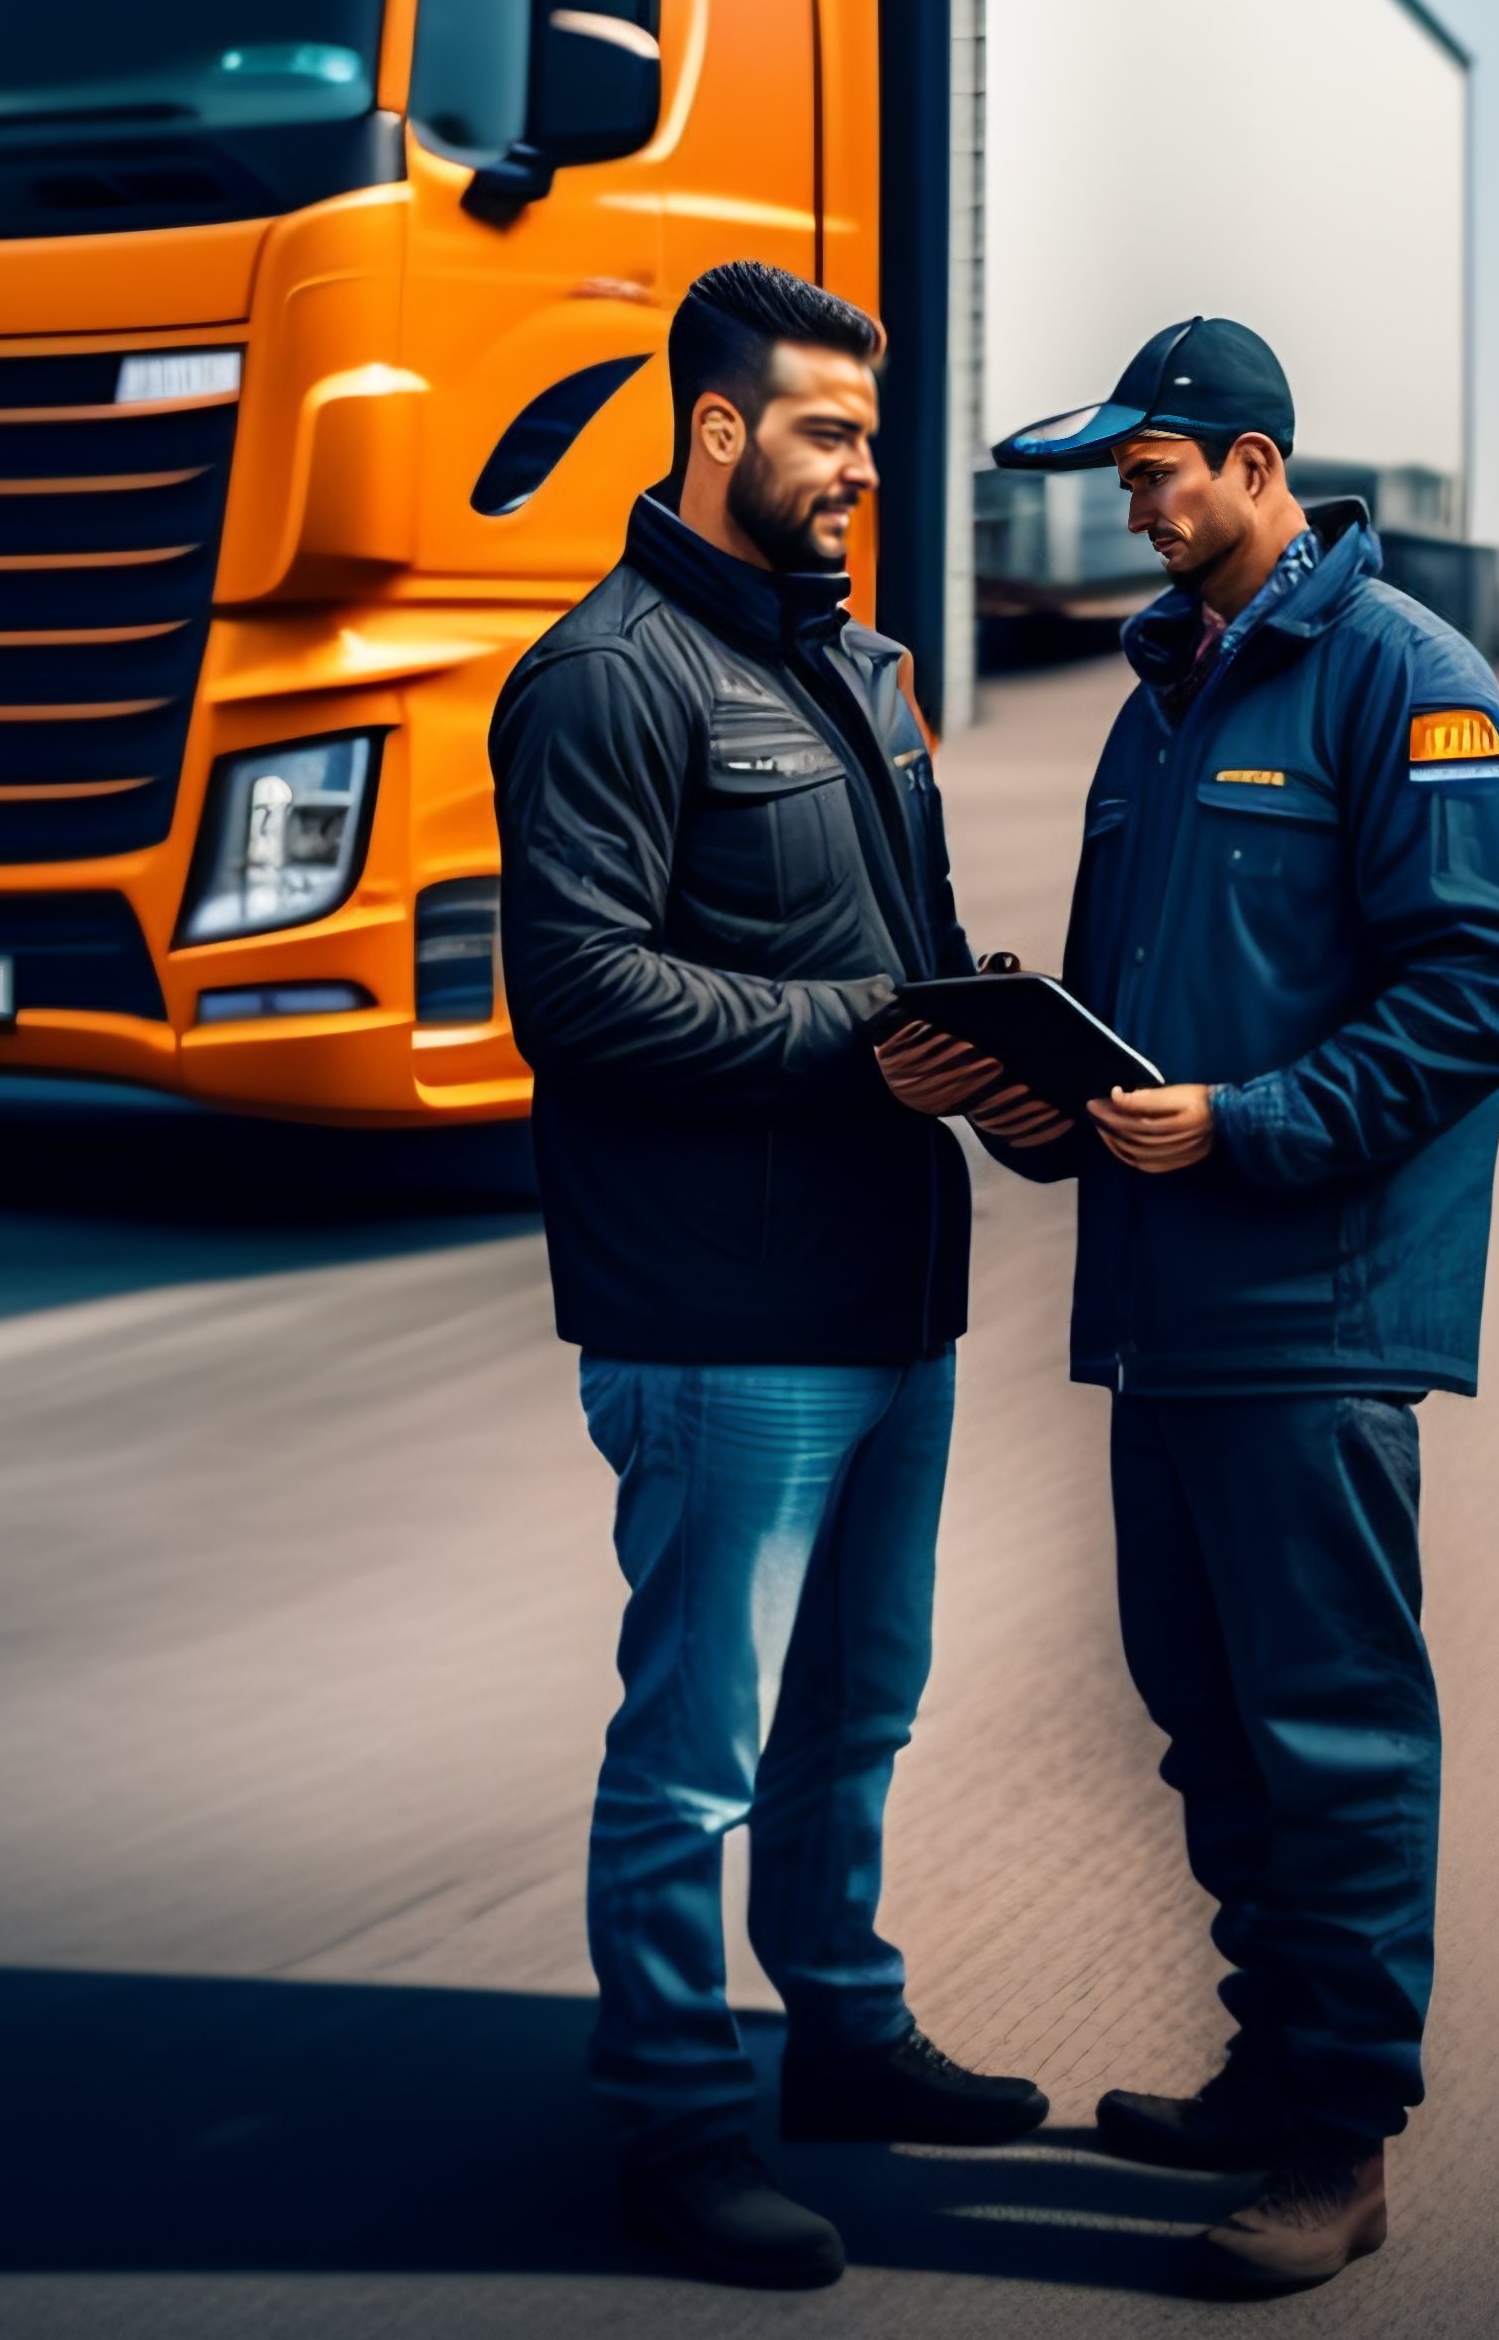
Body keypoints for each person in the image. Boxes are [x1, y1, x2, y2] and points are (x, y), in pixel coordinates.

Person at [877, 316, 1499, 2295]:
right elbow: (1137, 1024)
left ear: (1257, 465)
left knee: (1328, 1728)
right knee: (1206, 1718)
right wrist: (1024, 1096)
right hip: (1167, 1303)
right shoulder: (1169, 692)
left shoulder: (1400, 686)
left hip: (1313, 1306)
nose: (1131, 501)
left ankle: (1339, 2143)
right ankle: (1274, 2064)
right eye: (1119, 475)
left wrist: (1253, 1121)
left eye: (1158, 468)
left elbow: (1487, 981)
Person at [489, 261, 1053, 2293]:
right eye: (824, 433)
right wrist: (856, 1043)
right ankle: (668, 2123)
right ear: (716, 429)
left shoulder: (861, 665)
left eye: (868, 440)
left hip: (889, 1292)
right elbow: (570, 990)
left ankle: (844, 2031)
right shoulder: (608, 678)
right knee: (698, 1750)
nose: (854, 474)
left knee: (853, 1712)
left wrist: (1013, 1065)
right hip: (718, 1322)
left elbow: (911, 939)